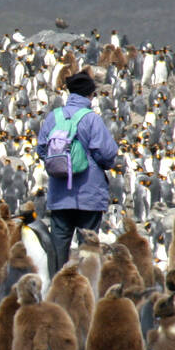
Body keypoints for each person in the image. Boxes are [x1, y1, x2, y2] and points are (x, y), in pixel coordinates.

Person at [36, 70, 119, 274]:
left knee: (58, 248)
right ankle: (85, 292)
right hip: (88, 195)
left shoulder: (53, 117)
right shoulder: (92, 119)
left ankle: (55, 291)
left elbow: (42, 150)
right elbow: (107, 154)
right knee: (87, 249)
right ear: (89, 95)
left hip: (59, 193)